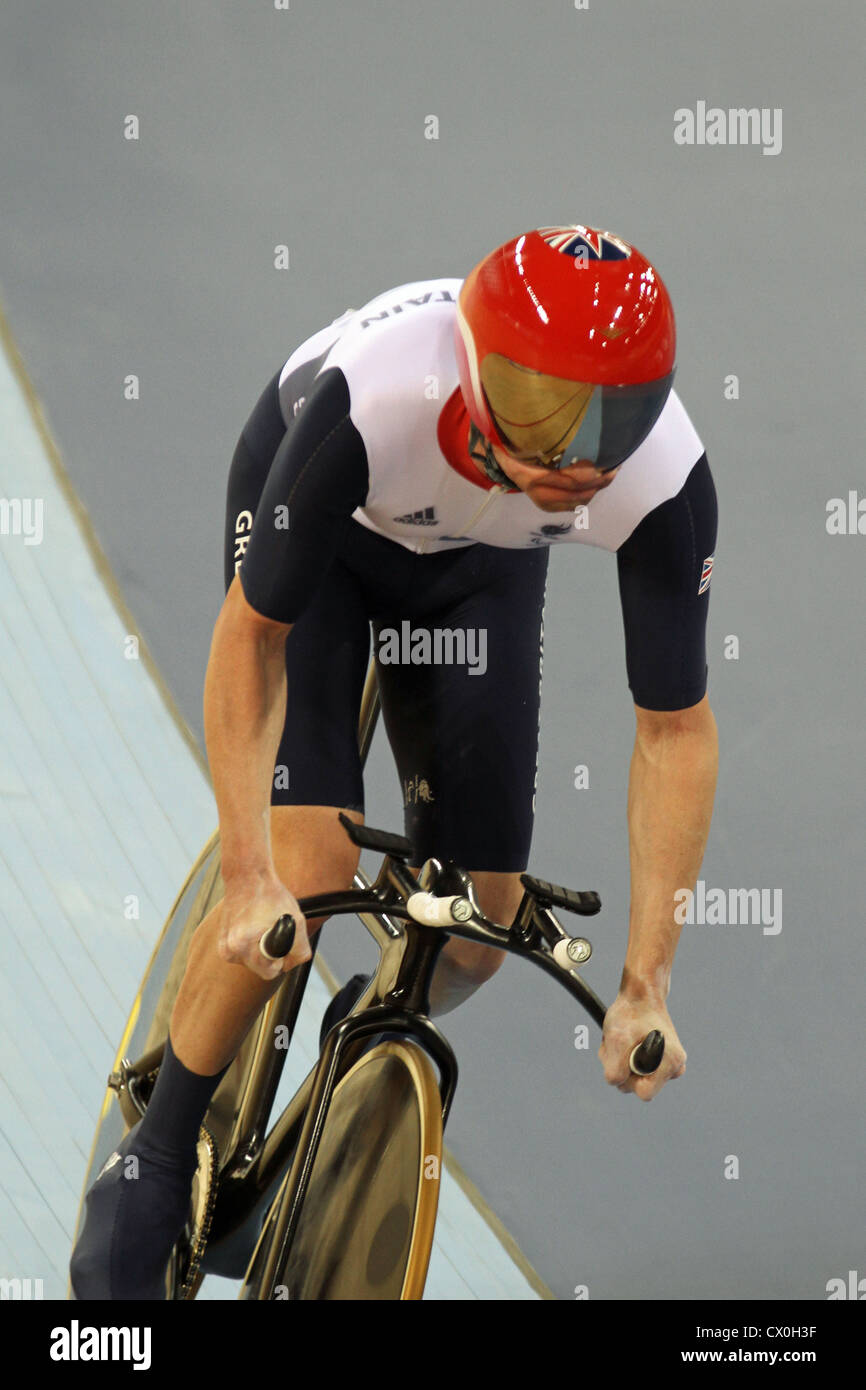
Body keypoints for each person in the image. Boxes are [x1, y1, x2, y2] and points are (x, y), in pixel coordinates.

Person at [70, 224, 718, 1300]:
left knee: (476, 938)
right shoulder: (376, 399)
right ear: (473, 370)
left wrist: (645, 984)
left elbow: (674, 732)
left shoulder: (658, 478)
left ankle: (349, 1061)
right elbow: (251, 637)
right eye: (546, 410)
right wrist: (248, 874)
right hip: (328, 547)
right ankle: (157, 1150)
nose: (575, 457)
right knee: (307, 871)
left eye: (614, 415)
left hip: (478, 573)